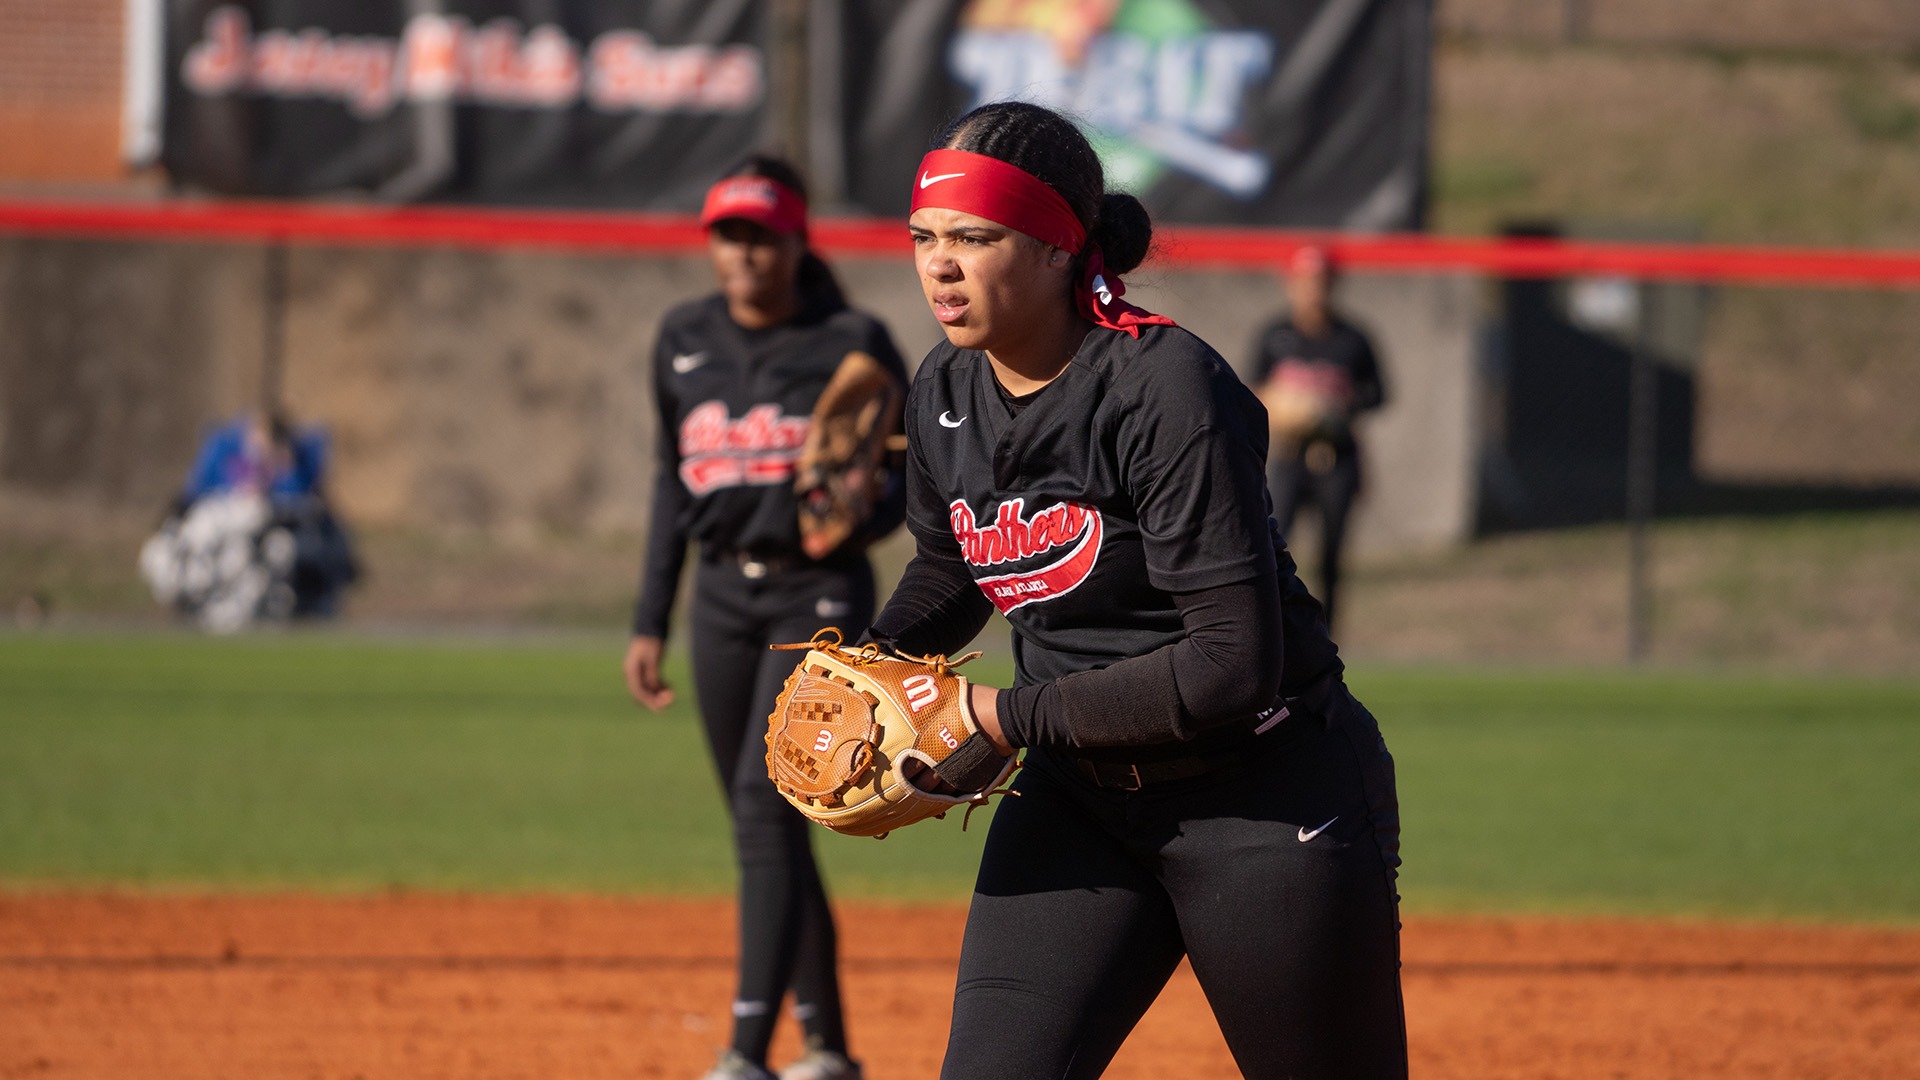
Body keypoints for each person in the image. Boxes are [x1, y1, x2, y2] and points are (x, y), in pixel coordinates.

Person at [867, 101, 1408, 1077]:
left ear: (1056, 248)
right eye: (924, 238)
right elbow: (952, 566)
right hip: (1078, 800)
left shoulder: (1163, 387)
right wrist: (868, 660)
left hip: (1261, 797)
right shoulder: (945, 394)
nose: (939, 263)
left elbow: (1234, 665)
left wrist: (996, 715)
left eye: (974, 237)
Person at [621, 156, 908, 1080]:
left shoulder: (851, 339)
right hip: (718, 597)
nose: (743, 252)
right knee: (770, 825)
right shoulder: (682, 339)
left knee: (763, 802)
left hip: (814, 596)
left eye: (761, 234)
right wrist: (647, 620)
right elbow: (674, 483)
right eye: (728, 234)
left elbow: (908, 485)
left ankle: (746, 1052)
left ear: (796, 241)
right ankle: (827, 1049)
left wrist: (862, 508)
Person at [1249, 245, 1388, 631]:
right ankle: (1273, 629)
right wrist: (1284, 403)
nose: (1314, 290)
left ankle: (1329, 637)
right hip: (1290, 454)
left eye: (1322, 281)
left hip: (1336, 455)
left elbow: (1378, 393)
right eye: (1306, 281)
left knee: (1332, 554)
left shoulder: (1353, 339)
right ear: (1292, 283)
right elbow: (1252, 388)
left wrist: (1338, 402)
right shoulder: (1275, 335)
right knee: (1274, 543)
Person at [139, 408, 357, 630]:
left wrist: (284, 466)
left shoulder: (290, 465)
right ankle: (197, 603)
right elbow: (200, 495)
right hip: (224, 528)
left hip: (264, 537)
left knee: (275, 551)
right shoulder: (228, 457)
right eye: (256, 435)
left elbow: (299, 500)